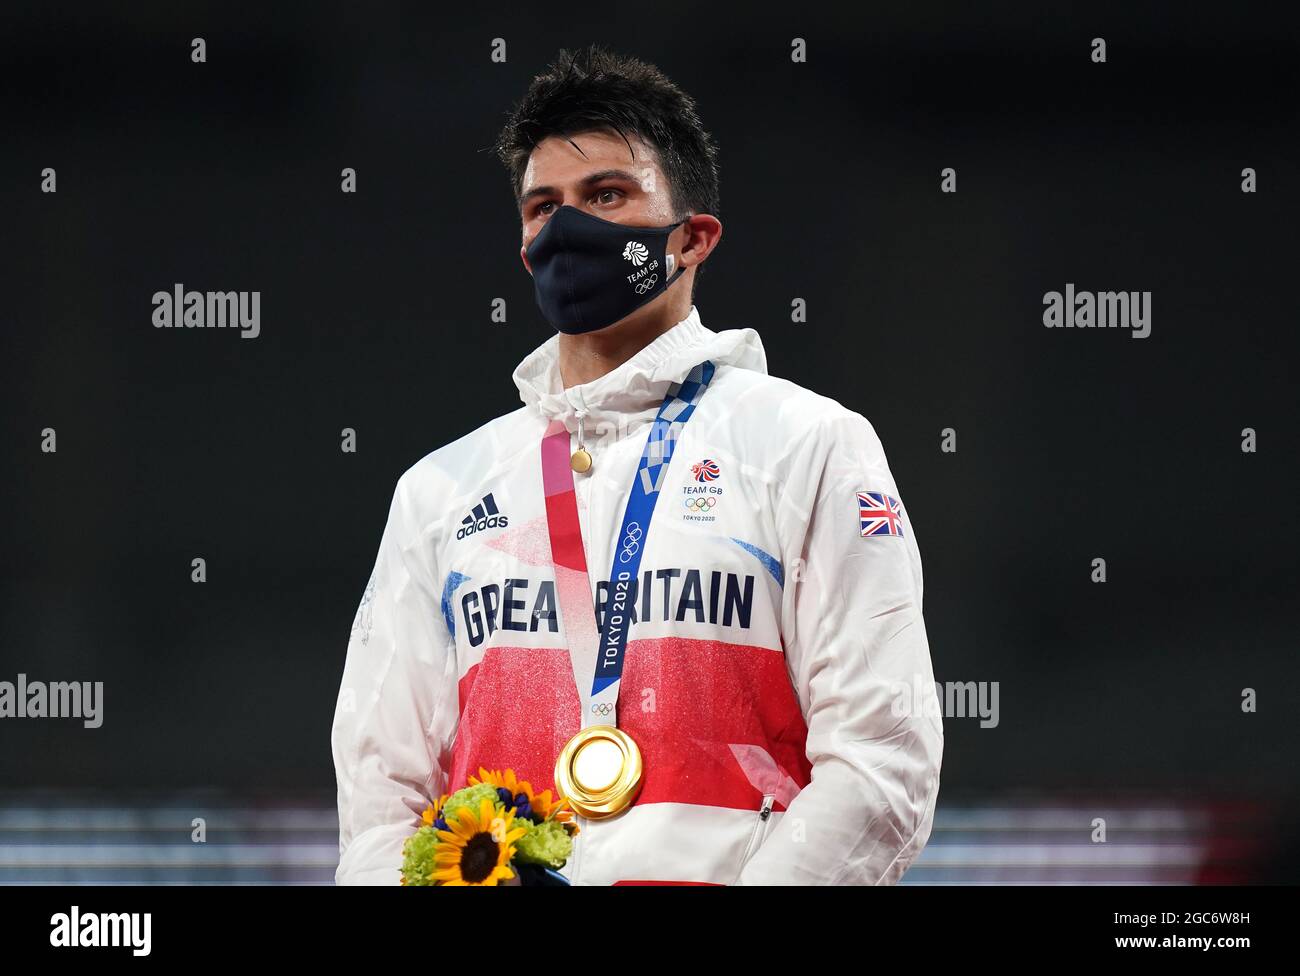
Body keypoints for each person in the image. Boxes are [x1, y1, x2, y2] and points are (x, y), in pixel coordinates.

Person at [331, 44, 943, 885]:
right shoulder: (441, 491)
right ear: (524, 250)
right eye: (543, 207)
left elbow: (883, 765)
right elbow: (379, 803)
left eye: (607, 195)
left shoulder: (806, 446)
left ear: (692, 239)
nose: (568, 227)